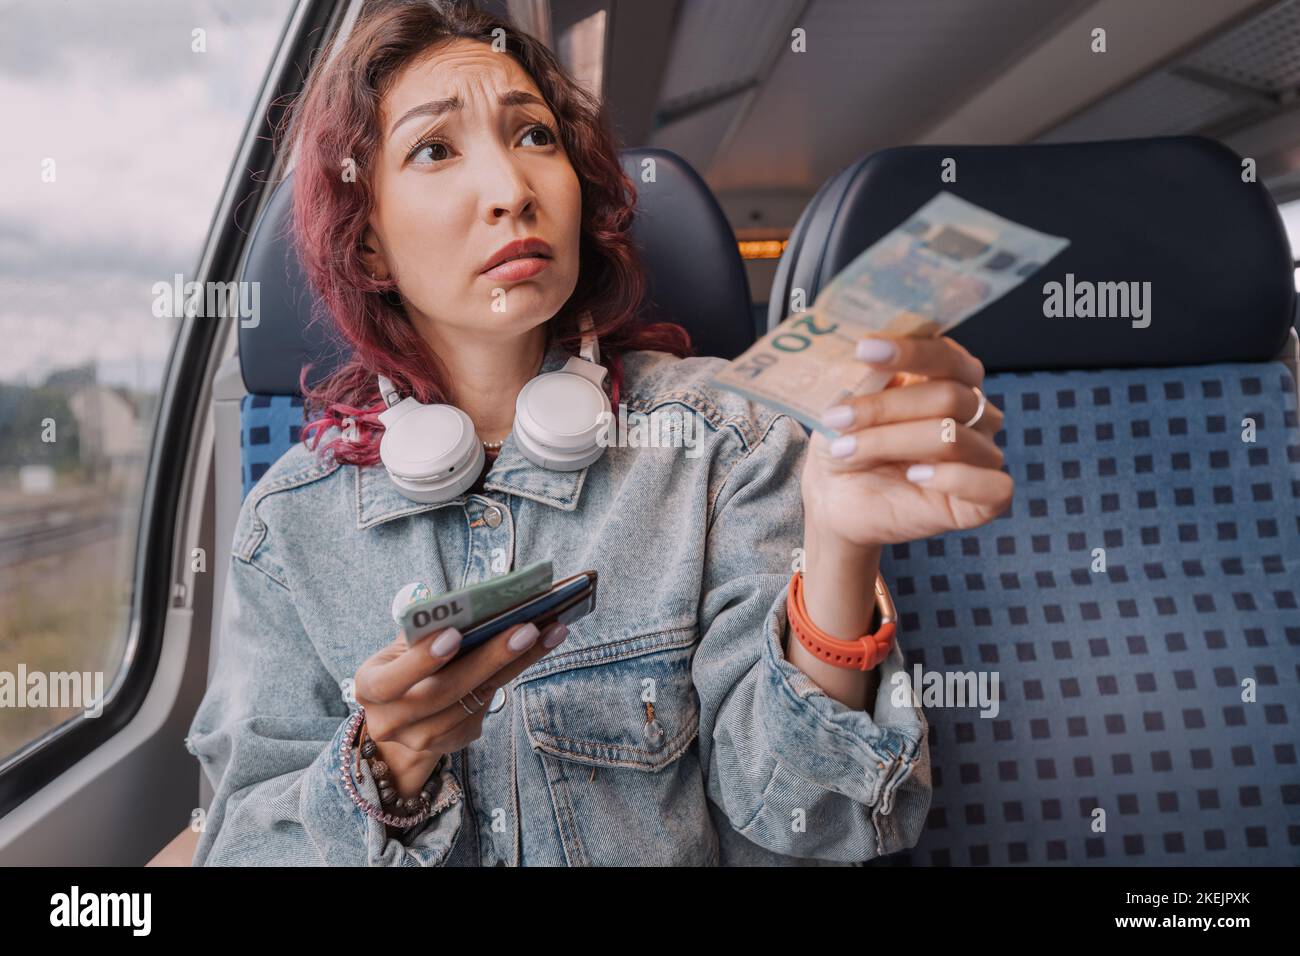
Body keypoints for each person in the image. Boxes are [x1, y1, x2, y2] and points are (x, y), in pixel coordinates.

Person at [185, 0, 1011, 866]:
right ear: (370, 251)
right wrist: (389, 762)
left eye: (534, 136)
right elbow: (238, 845)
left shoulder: (728, 447)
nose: (511, 192)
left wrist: (839, 551)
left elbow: (823, 826)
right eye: (434, 149)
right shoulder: (287, 525)